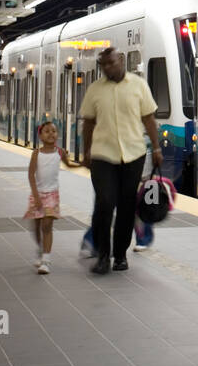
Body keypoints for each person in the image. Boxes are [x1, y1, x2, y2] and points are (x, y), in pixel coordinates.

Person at [80, 48, 162, 274]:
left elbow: (148, 119)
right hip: (102, 155)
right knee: (104, 203)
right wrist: (85, 152)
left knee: (126, 207)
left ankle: (120, 255)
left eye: (111, 63)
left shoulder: (138, 85)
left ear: (121, 61)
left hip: (133, 154)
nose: (107, 68)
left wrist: (156, 147)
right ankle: (103, 256)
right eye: (103, 64)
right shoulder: (95, 90)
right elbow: (88, 123)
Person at [24, 120, 78, 274]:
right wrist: (35, 195)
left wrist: (84, 165)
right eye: (47, 131)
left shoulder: (60, 152)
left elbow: (69, 165)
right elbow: (31, 175)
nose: (51, 134)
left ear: (58, 135)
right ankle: (40, 249)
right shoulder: (36, 153)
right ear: (40, 136)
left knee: (47, 226)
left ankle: (46, 260)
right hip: (38, 194)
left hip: (52, 195)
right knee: (36, 227)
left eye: (54, 131)